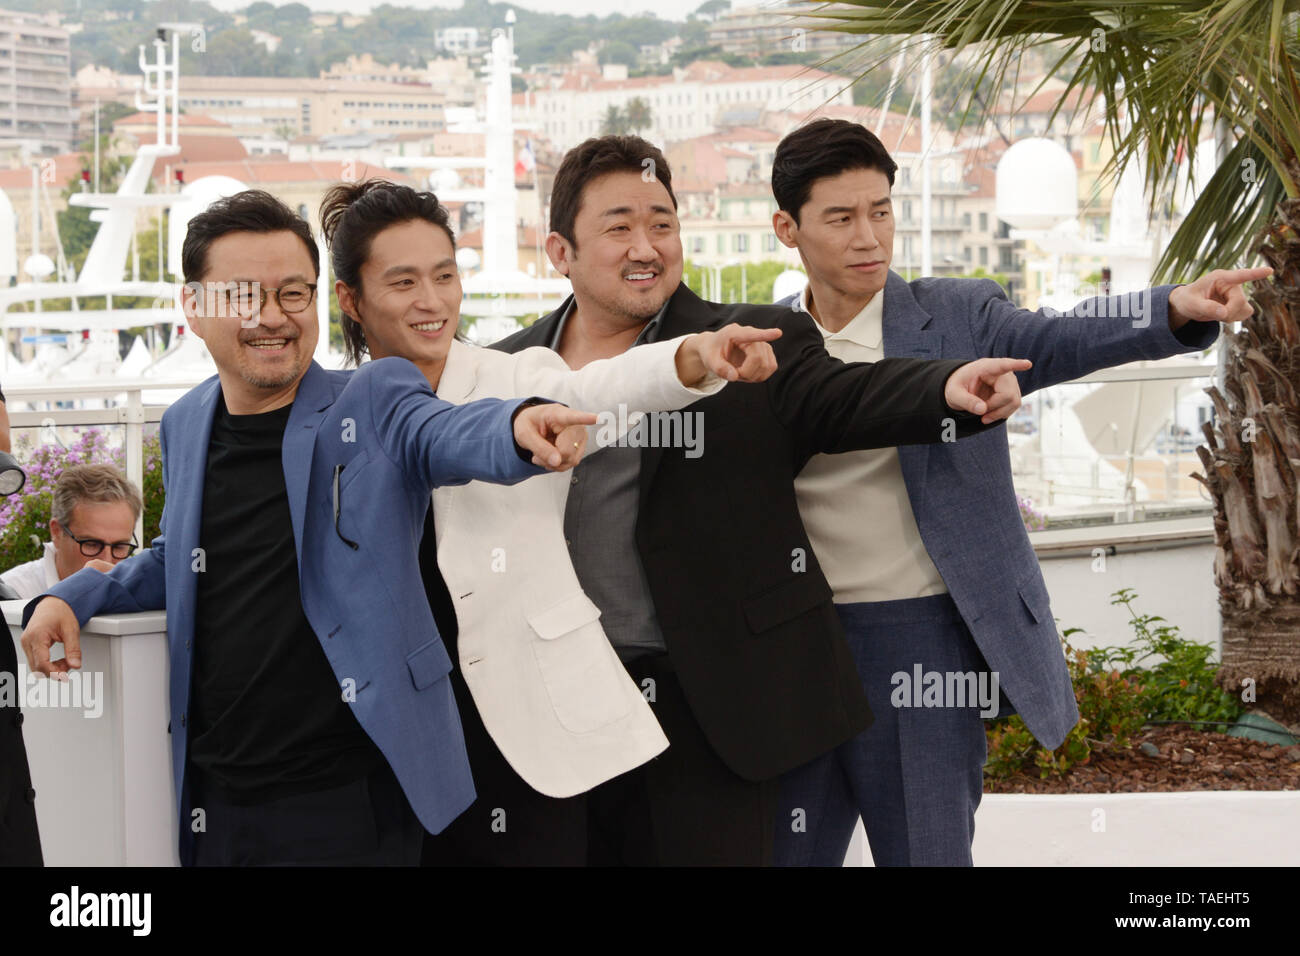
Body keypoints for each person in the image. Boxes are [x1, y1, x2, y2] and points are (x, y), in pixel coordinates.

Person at [492, 134, 1033, 865]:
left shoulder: (747, 341)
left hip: (709, 708)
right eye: (619, 227)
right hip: (563, 700)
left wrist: (943, 387)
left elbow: (846, 395)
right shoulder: (509, 369)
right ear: (560, 252)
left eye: (662, 223)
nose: (647, 246)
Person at [17, 189, 595, 867]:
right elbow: (183, 558)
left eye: (294, 294)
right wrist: (70, 595)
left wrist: (516, 427)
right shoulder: (186, 422)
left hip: (349, 799)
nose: (272, 317)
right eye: (242, 296)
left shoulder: (373, 399)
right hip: (215, 799)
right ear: (193, 308)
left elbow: (442, 431)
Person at [767, 117, 1272, 866]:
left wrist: (1172, 310)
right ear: (788, 228)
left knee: (928, 853)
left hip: (922, 640)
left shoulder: (956, 314)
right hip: (795, 646)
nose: (869, 236)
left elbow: (1061, 336)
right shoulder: (764, 346)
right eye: (840, 218)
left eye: (880, 211)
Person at [321, 179, 784, 865]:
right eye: (403, 282)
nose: (431, 301)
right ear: (350, 300)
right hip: (402, 729)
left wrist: (693, 358)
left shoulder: (516, 377)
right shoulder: (334, 417)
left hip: (525, 719)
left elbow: (596, 388)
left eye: (445, 276)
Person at [0, 464, 139, 601]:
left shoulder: (142, 593)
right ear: (57, 532)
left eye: (120, 546)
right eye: (91, 544)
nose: (107, 561)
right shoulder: (13, 596)